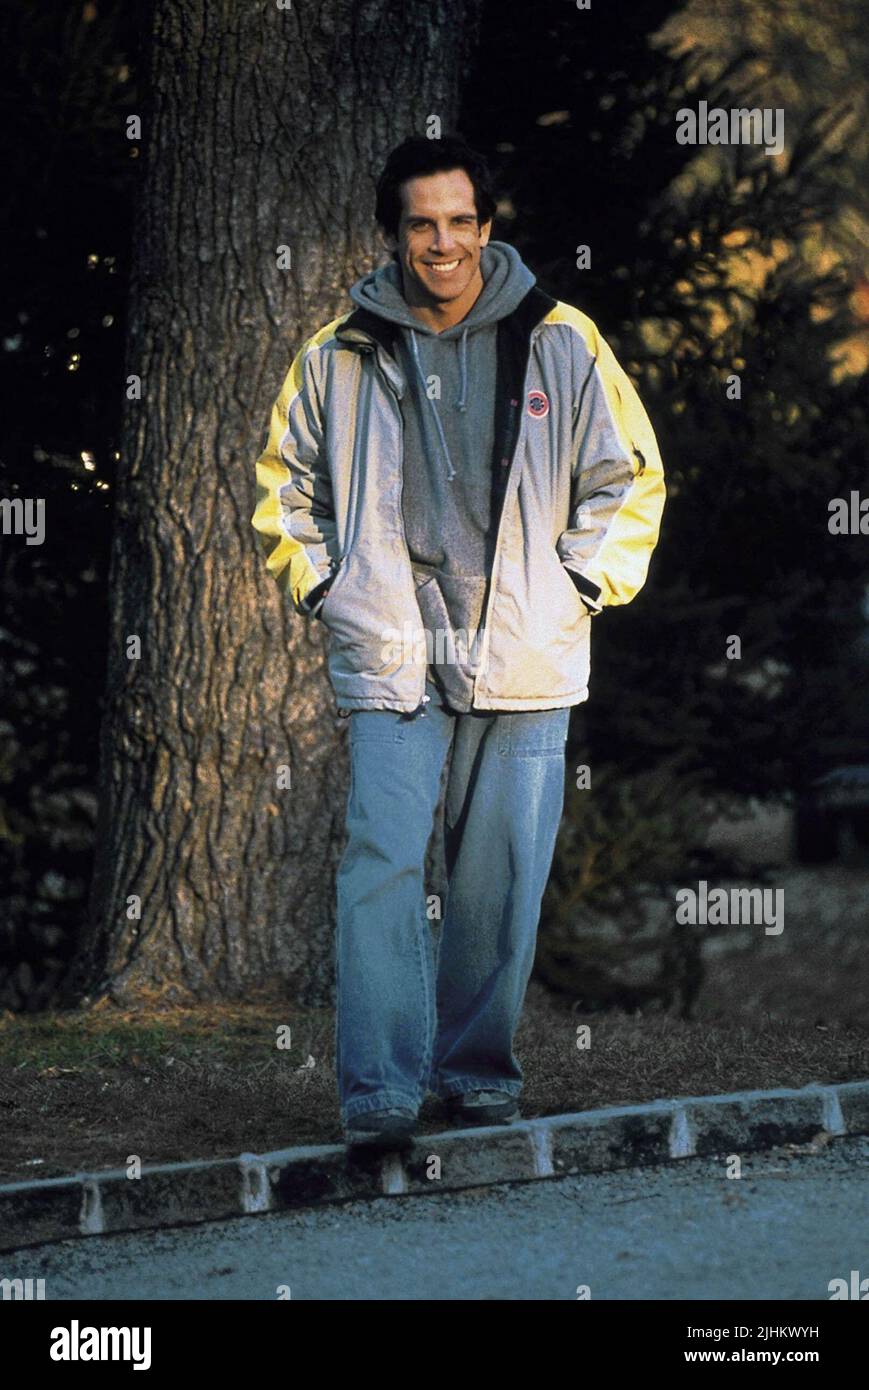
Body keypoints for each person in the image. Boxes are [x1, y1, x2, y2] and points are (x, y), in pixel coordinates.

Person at [251, 135, 666, 1152]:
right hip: (392, 648)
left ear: (485, 226)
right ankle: (379, 1094)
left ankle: (476, 1076)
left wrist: (576, 586)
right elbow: (282, 488)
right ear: (395, 233)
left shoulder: (564, 340)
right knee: (381, 863)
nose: (441, 241)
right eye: (419, 223)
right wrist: (329, 586)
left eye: (457, 220)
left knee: (500, 874)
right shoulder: (335, 353)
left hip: (523, 645)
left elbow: (629, 479)